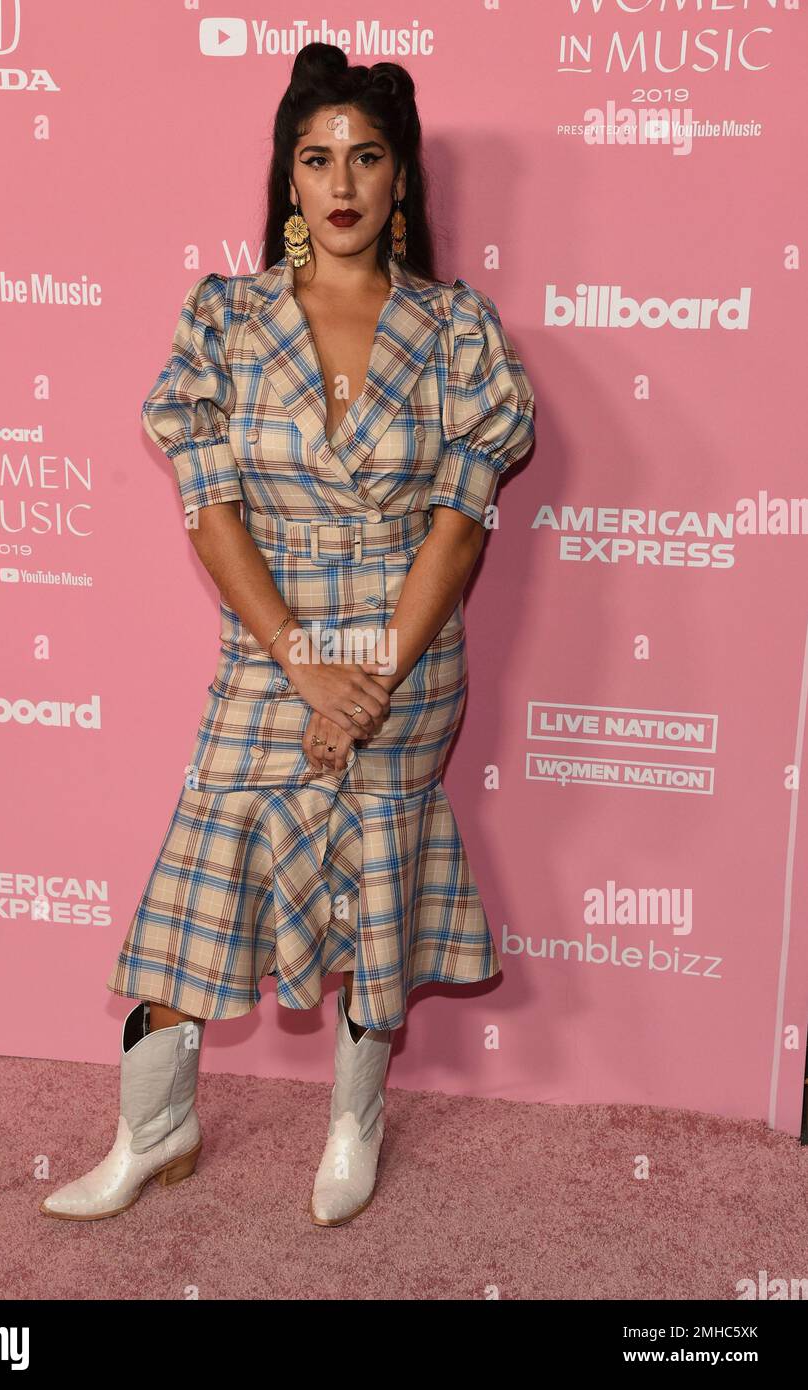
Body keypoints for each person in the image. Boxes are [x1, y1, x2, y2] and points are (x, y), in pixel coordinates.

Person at [39, 42, 536, 1227]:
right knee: (197, 887)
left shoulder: (458, 329)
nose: (343, 181)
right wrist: (303, 663)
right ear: (290, 179)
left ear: (401, 179)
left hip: (408, 662)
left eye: (368, 156)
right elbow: (210, 510)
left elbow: (460, 532)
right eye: (317, 159)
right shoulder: (227, 319)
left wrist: (371, 677)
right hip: (273, 649)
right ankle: (154, 1130)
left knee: (379, 885)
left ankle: (354, 1123)